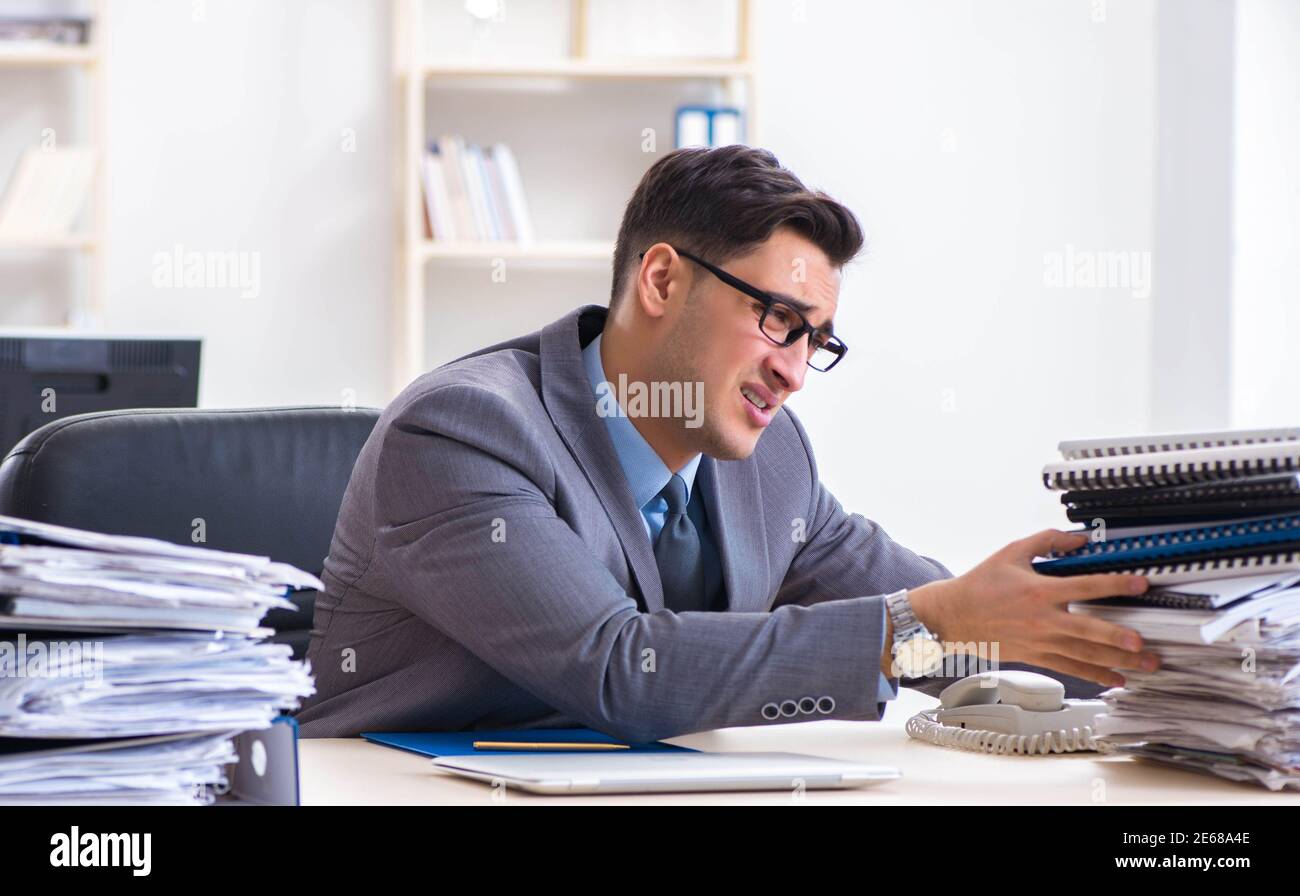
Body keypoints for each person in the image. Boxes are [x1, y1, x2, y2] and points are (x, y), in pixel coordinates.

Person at [296, 145, 1158, 741]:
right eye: (777, 320)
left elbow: (938, 625)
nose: (794, 373)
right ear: (663, 278)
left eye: (815, 342)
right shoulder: (463, 432)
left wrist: (1174, 666)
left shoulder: (774, 466)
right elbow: (619, 670)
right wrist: (918, 625)